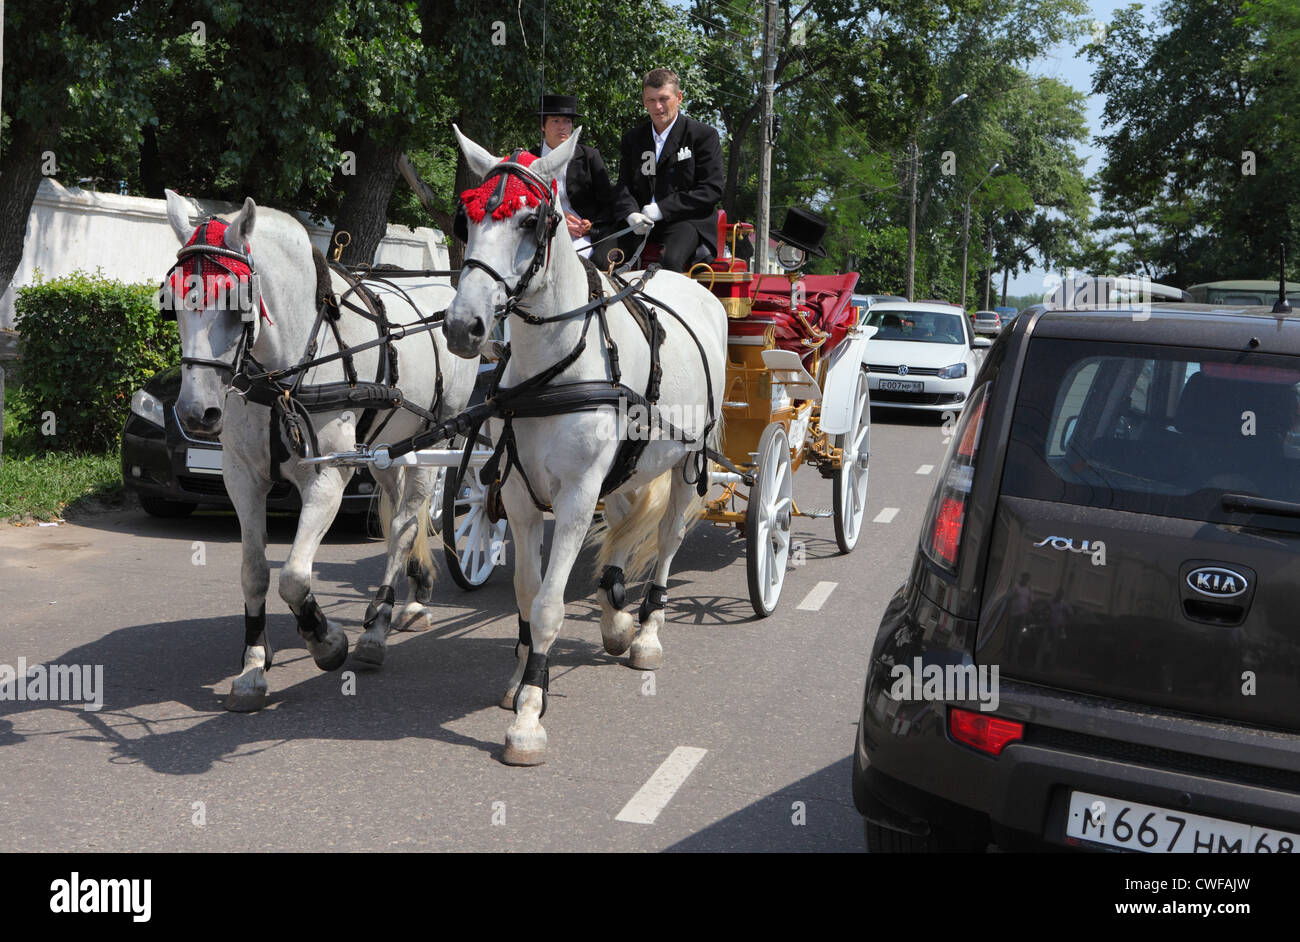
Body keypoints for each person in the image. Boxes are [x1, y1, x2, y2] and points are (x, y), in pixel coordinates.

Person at [612, 68, 725, 272]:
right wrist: (630, 214)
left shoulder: (702, 136)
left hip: (686, 220)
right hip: (640, 222)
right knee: (606, 258)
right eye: (651, 100)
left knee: (670, 262)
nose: (658, 107)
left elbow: (711, 189)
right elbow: (623, 186)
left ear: (679, 97)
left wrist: (662, 209)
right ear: (644, 101)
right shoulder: (633, 139)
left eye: (664, 99)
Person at [527, 94, 618, 261]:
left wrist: (590, 226)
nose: (562, 127)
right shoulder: (530, 159)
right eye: (555, 121)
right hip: (541, 234)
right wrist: (554, 221)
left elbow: (608, 202)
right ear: (543, 126)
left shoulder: (589, 156)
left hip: (583, 236)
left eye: (567, 121)